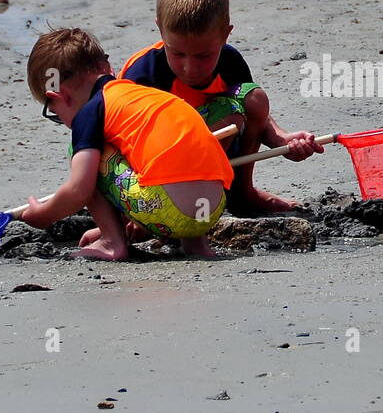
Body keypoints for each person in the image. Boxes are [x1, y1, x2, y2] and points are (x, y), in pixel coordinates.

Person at [119, 0, 322, 215]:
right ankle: (170, 205)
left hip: (209, 148)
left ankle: (241, 193)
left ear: (226, 34)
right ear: (160, 31)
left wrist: (281, 139)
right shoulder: (142, 74)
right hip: (152, 164)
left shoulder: (230, 61)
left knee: (252, 99)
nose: (190, 68)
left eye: (203, 55)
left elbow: (254, 115)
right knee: (228, 115)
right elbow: (121, 145)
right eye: (178, 54)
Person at [21, 27, 233, 259]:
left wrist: (43, 215)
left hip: (172, 212)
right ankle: (196, 245)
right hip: (209, 212)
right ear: (106, 68)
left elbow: (79, 190)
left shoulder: (90, 112)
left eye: (55, 114)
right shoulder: (143, 95)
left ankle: (112, 241)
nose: (63, 122)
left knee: (84, 151)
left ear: (58, 96)